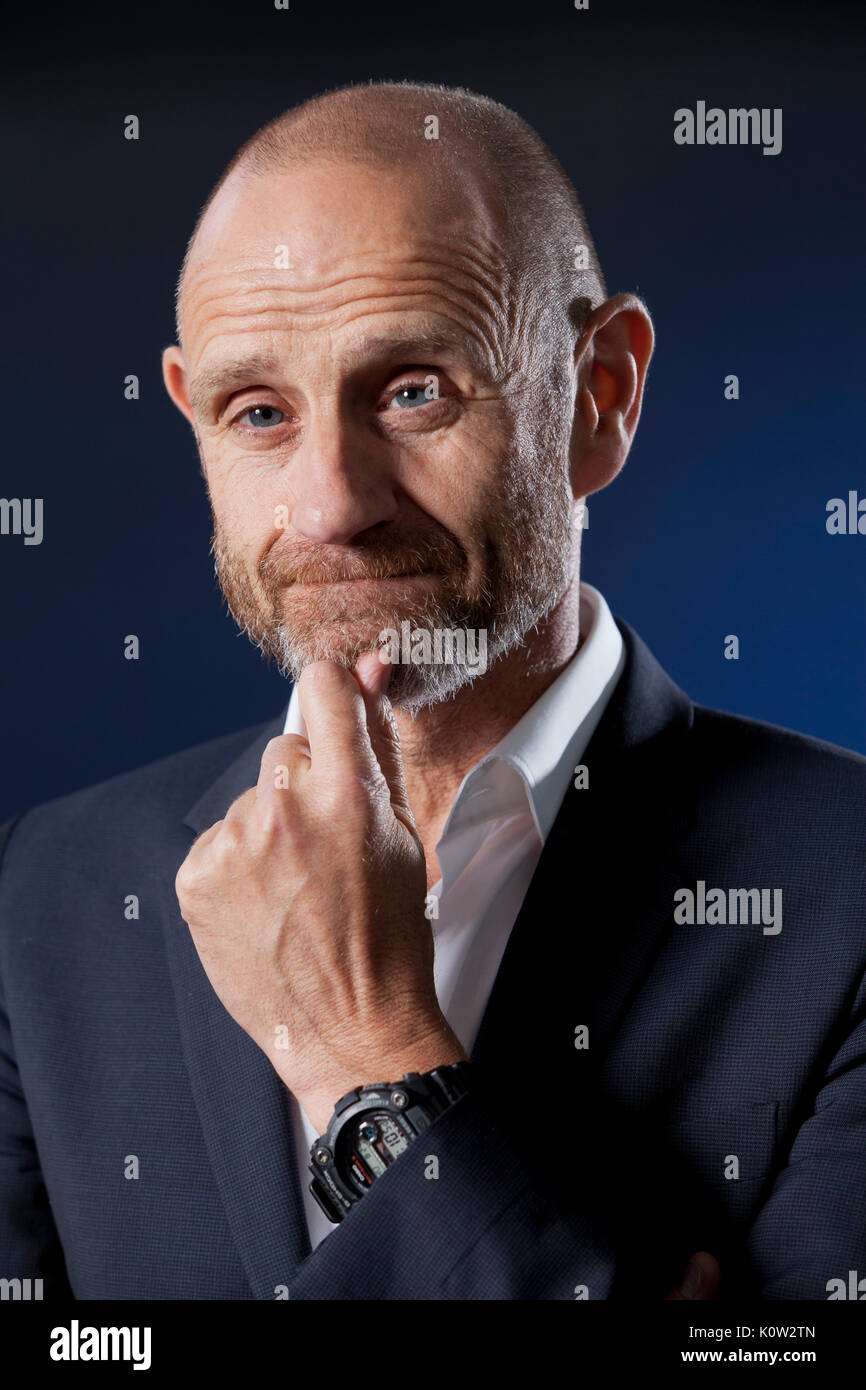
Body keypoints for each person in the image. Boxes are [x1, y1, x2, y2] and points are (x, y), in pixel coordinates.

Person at [1, 81, 863, 1301]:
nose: (330, 504)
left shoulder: (849, 896)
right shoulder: (37, 899)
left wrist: (373, 1061)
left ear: (601, 393)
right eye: (259, 413)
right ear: (192, 414)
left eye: (412, 390)